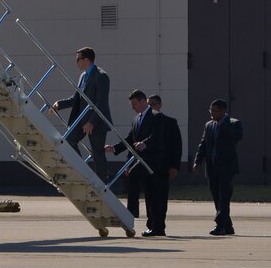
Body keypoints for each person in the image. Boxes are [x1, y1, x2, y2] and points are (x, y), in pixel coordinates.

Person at [50, 47, 112, 181]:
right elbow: (77, 99)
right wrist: (59, 104)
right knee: (69, 139)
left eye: (78, 59)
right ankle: (82, 171)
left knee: (97, 152)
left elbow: (101, 102)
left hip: (97, 121)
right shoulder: (83, 76)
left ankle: (102, 183)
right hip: (84, 119)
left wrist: (92, 122)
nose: (76, 62)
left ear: (86, 60)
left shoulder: (101, 76)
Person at [104, 90, 160, 230]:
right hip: (140, 160)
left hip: (152, 159)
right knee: (147, 190)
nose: (132, 107)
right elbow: (130, 139)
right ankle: (148, 222)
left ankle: (133, 212)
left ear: (143, 101)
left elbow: (158, 136)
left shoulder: (156, 116)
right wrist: (114, 148)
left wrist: (145, 144)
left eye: (134, 104)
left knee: (143, 184)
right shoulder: (136, 119)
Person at [193, 99, 243, 236]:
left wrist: (223, 125)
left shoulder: (233, 123)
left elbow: (238, 136)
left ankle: (220, 226)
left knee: (224, 196)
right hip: (212, 166)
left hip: (227, 167)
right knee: (216, 196)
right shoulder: (208, 125)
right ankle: (228, 226)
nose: (212, 113)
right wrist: (198, 162)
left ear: (223, 111)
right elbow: (203, 144)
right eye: (211, 110)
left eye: (215, 111)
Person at [145, 94, 182, 235]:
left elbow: (176, 146)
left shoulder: (170, 122)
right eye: (148, 105)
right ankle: (151, 224)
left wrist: (175, 166)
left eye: (153, 104)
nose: (151, 107)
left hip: (163, 166)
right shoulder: (143, 122)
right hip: (147, 166)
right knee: (149, 197)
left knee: (160, 197)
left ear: (160, 105)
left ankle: (159, 227)